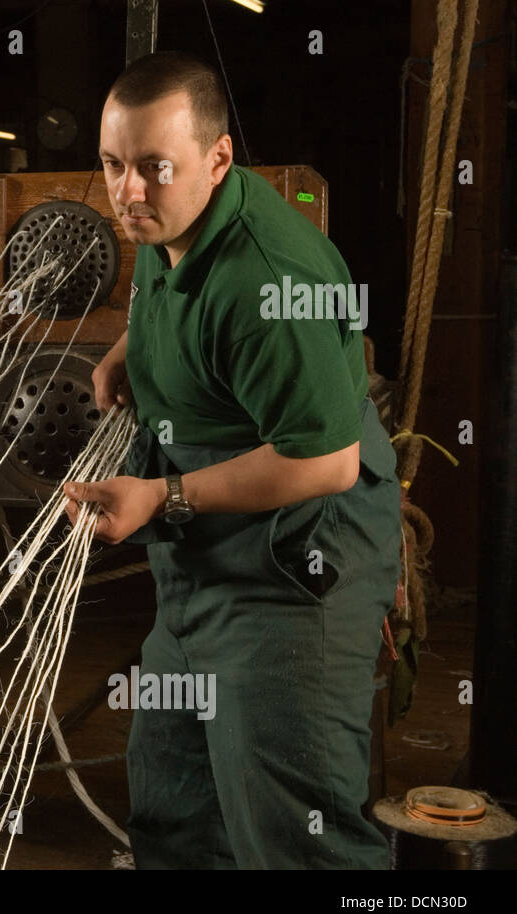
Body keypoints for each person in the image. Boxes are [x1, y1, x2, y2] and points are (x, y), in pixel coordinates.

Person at [62, 51, 401, 868]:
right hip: (203, 563)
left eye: (153, 167)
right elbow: (166, 290)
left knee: (293, 832)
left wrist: (162, 497)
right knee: (175, 812)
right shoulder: (166, 216)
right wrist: (130, 350)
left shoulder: (270, 280)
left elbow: (325, 465)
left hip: (292, 566)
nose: (128, 192)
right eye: (113, 165)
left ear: (218, 159)